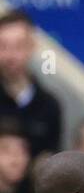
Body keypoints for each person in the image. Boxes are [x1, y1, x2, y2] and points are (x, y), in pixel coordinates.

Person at [0, 11, 63, 159]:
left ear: (31, 47)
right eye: (3, 46)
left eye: (19, 46)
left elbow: (54, 160)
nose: (11, 55)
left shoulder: (49, 105)